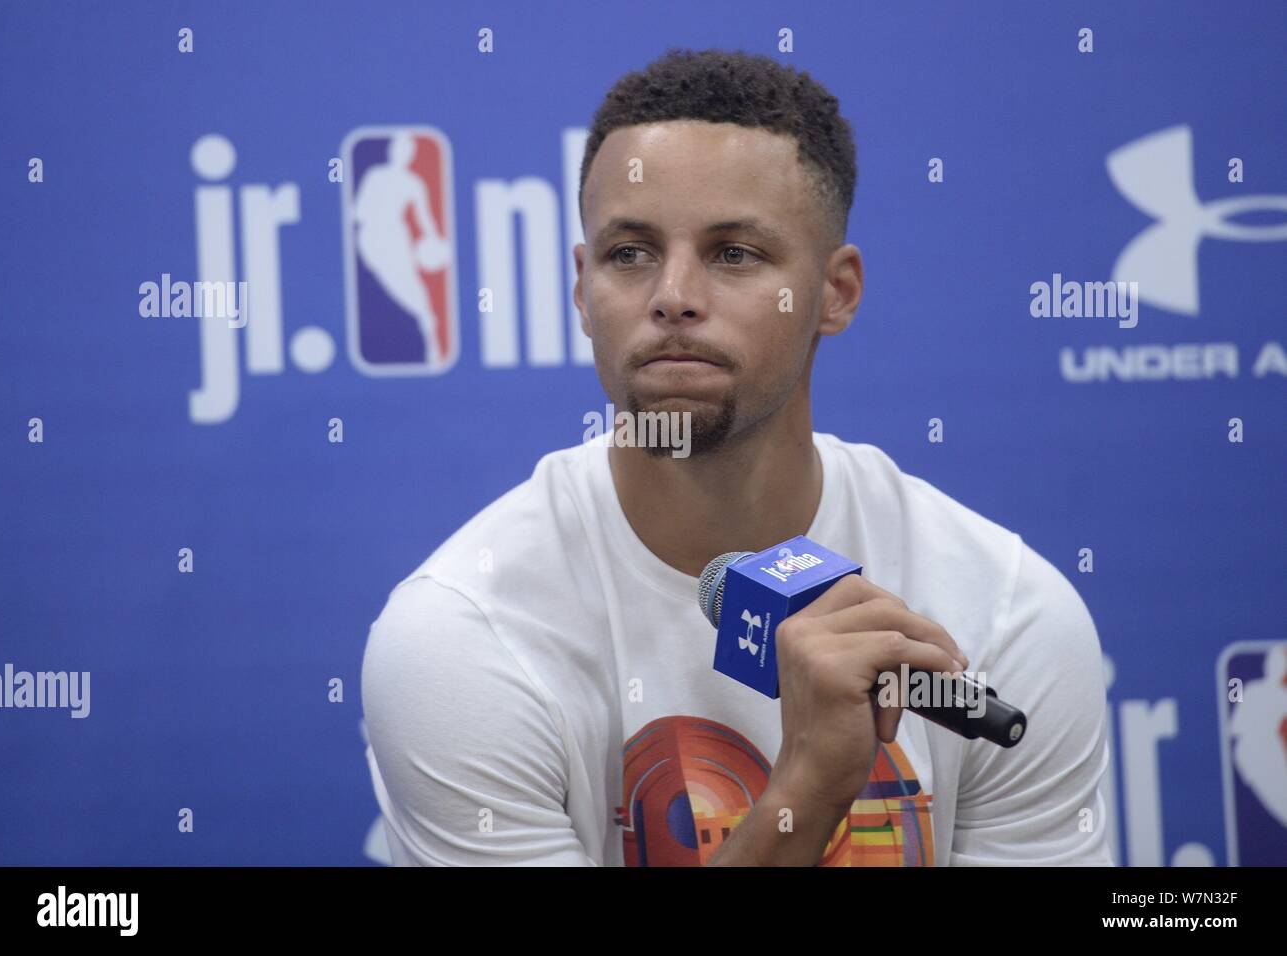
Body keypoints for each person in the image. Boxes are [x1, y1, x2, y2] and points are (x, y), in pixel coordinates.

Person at [360, 48, 1114, 866]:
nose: (673, 295)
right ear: (582, 291)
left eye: (733, 255)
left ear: (837, 293)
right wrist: (805, 789)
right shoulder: (462, 636)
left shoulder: (1007, 614)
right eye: (630, 253)